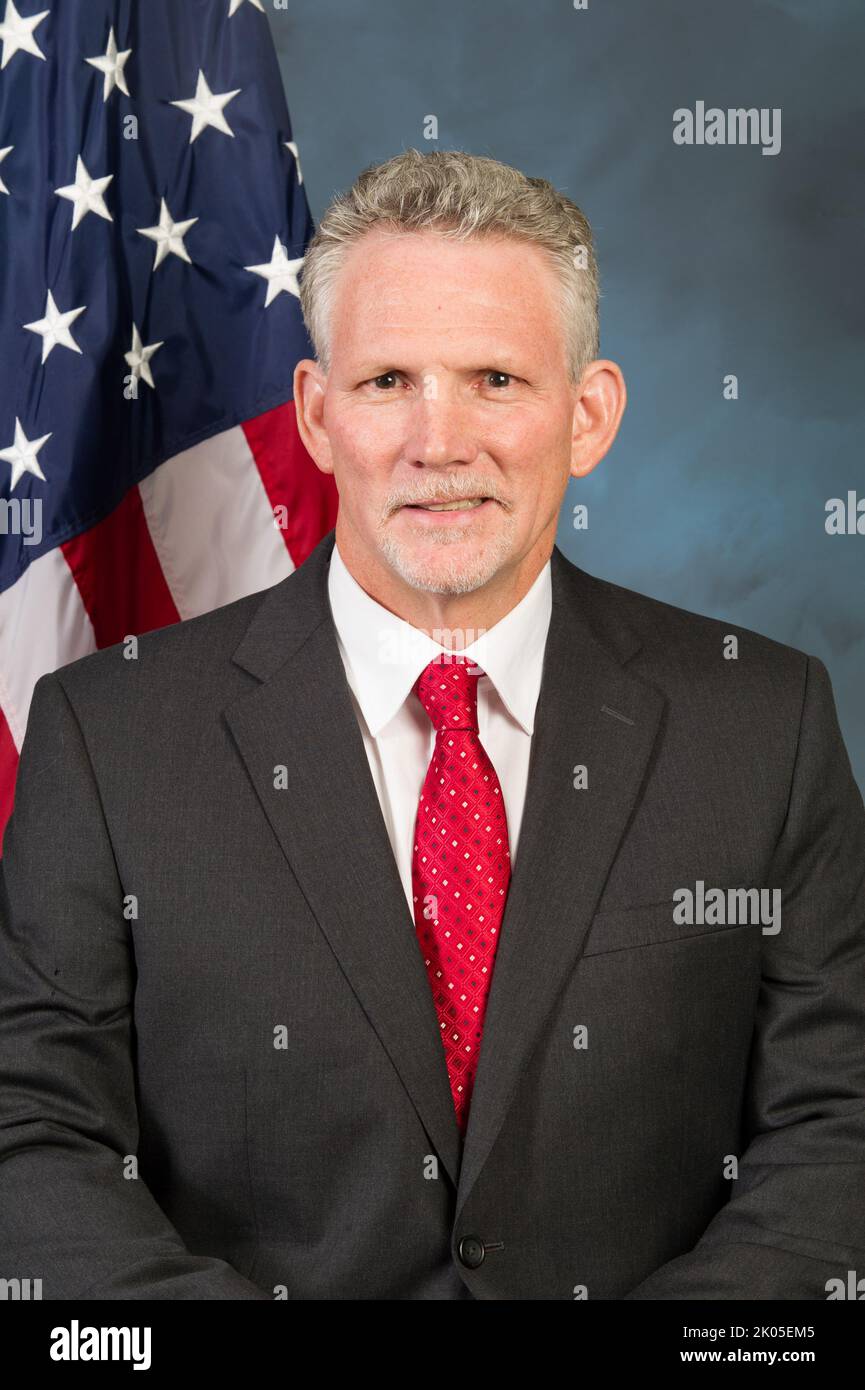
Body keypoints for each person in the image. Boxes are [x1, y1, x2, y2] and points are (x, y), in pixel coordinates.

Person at [1, 149, 863, 1300]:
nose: (438, 441)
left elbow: (835, 1122)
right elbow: (32, 1130)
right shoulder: (107, 735)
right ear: (315, 414)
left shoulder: (765, 720)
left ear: (589, 413)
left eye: (496, 380)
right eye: (387, 381)